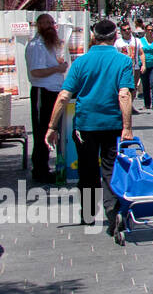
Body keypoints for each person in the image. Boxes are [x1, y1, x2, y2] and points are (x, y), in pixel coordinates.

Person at [43, 19, 134, 231]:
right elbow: (124, 94)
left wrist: (51, 127)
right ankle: (113, 212)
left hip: (85, 125)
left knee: (88, 169)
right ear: (114, 37)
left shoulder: (81, 62)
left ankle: (88, 213)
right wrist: (127, 127)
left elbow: (64, 96)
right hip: (112, 124)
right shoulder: (123, 61)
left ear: (93, 37)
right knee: (111, 169)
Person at [25, 13, 67, 184]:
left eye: (52, 23)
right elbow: (36, 72)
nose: (50, 26)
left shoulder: (48, 44)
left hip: (53, 90)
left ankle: (49, 167)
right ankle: (40, 170)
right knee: (42, 130)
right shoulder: (36, 45)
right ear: (39, 25)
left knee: (54, 129)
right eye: (46, 23)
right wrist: (57, 69)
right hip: (43, 91)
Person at [114, 20, 144, 114]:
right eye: (124, 30)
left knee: (133, 88)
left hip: (134, 67)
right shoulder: (118, 42)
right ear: (121, 31)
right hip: (121, 69)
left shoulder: (136, 41)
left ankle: (129, 105)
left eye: (128, 29)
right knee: (123, 87)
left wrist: (143, 64)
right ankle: (123, 106)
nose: (127, 31)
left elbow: (141, 53)